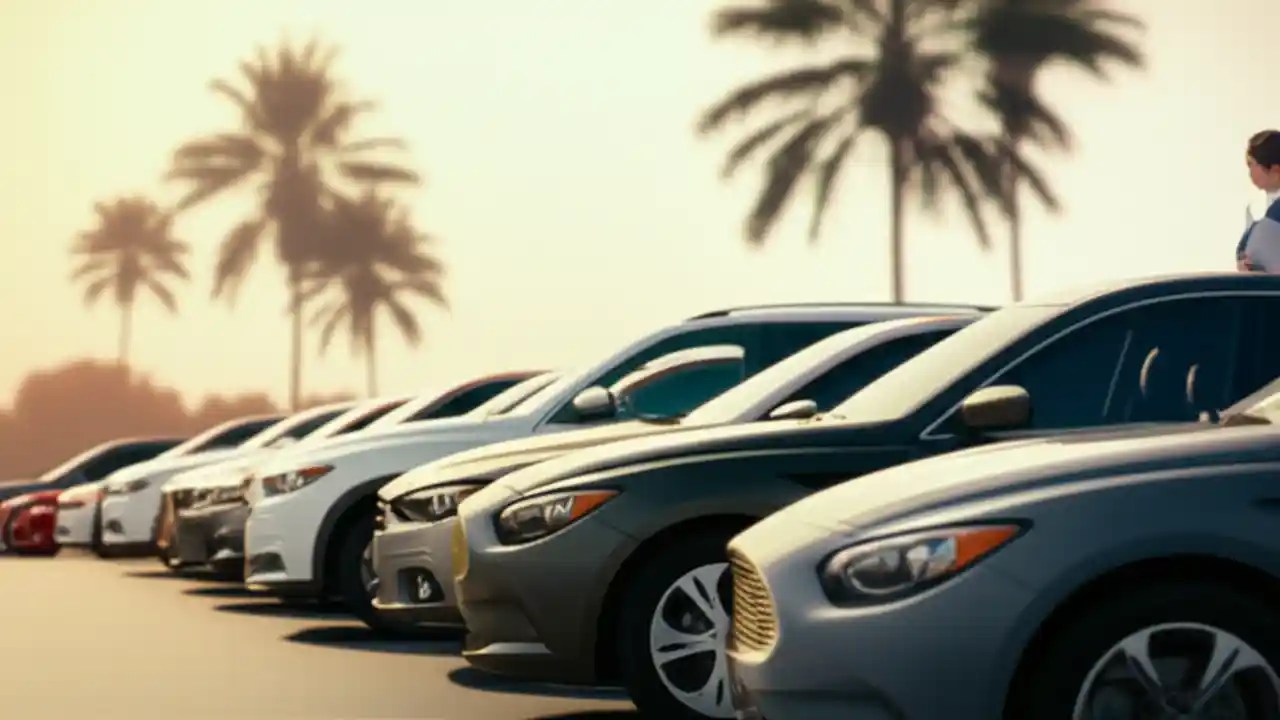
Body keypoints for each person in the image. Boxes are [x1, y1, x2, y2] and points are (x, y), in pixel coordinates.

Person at [1238, 130, 1280, 271]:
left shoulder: (1275, 212)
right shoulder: (1261, 206)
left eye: (1251, 164)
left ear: (1275, 170)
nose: (1250, 172)